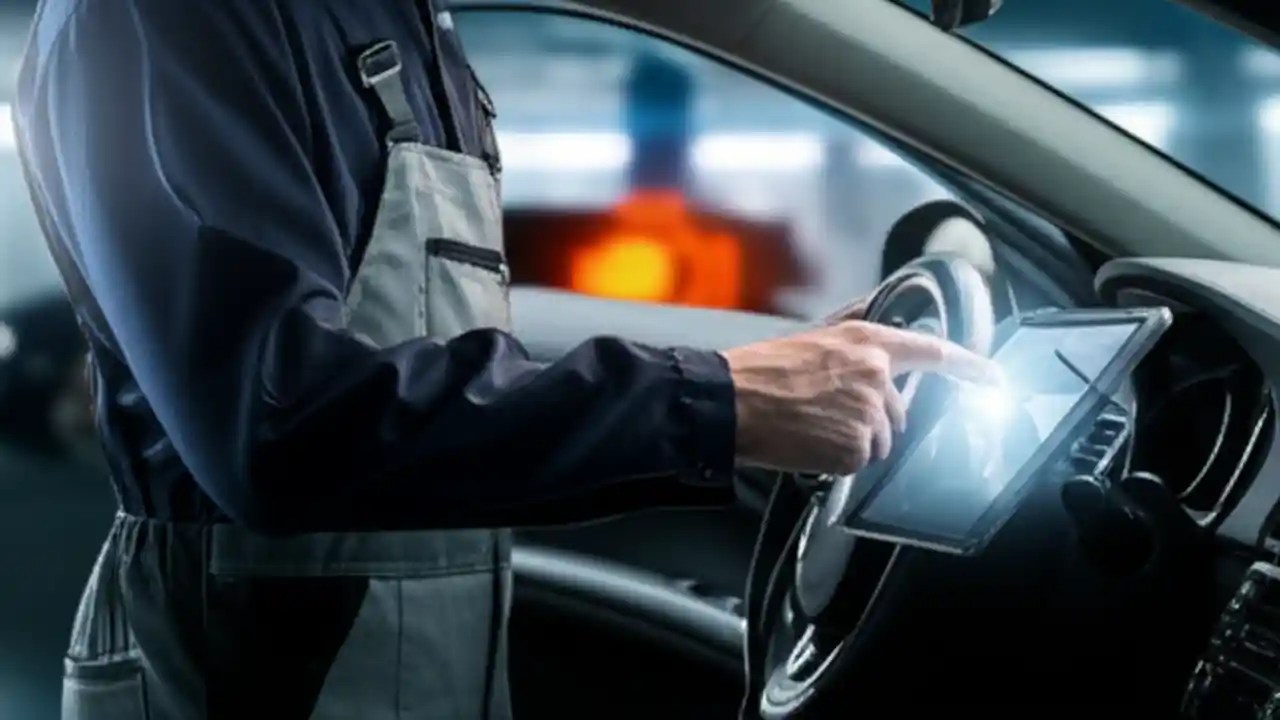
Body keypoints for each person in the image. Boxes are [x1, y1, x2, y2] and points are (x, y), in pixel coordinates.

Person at [14, 1, 998, 718]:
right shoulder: (168, 21)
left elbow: (438, 363)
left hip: (415, 662)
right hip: (243, 676)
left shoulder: (402, 25)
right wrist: (721, 402)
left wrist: (789, 374)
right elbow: (278, 423)